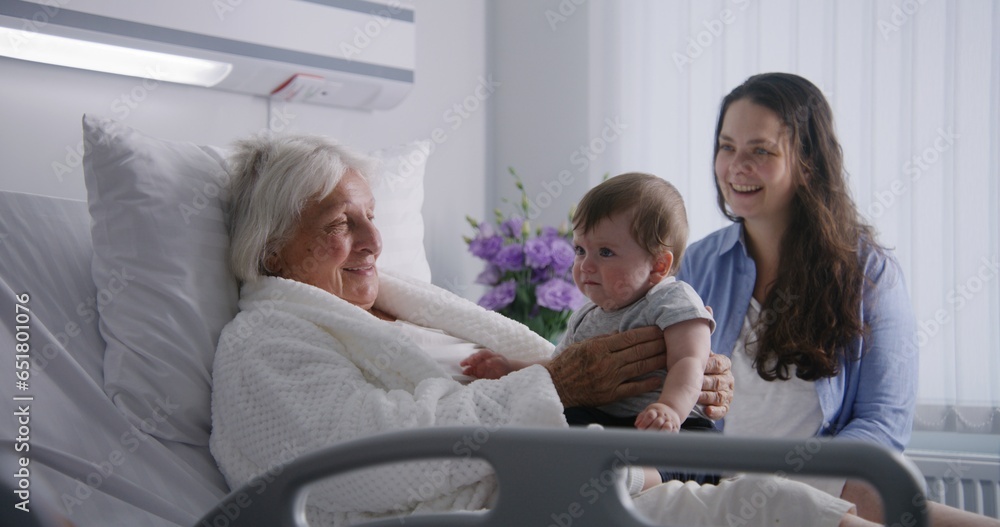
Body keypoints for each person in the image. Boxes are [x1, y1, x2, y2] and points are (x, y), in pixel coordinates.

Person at [208, 132, 874, 527]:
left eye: (372, 216)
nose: (375, 240)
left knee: (784, 502)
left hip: (587, 476)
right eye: (339, 223)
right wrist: (552, 381)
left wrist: (678, 371)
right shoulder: (264, 343)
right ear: (271, 249)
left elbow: (544, 383)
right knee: (774, 507)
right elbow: (370, 462)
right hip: (527, 503)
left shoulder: (398, 307)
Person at [679, 71, 1000, 527]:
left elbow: (883, 421)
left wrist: (794, 488)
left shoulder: (869, 272)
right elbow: (674, 394)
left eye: (761, 151)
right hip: (722, 486)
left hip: (826, 478)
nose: (736, 166)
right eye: (727, 147)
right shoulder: (700, 263)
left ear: (808, 161)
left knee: (877, 494)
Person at [461, 173, 715, 437]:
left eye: (605, 252)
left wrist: (670, 408)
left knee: (680, 449)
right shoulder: (585, 316)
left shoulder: (671, 299)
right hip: (606, 423)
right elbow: (558, 370)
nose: (586, 265)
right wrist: (510, 368)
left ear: (658, 265)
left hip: (675, 427)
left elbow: (690, 360)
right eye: (580, 250)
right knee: (557, 419)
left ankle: (631, 474)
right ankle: (601, 466)